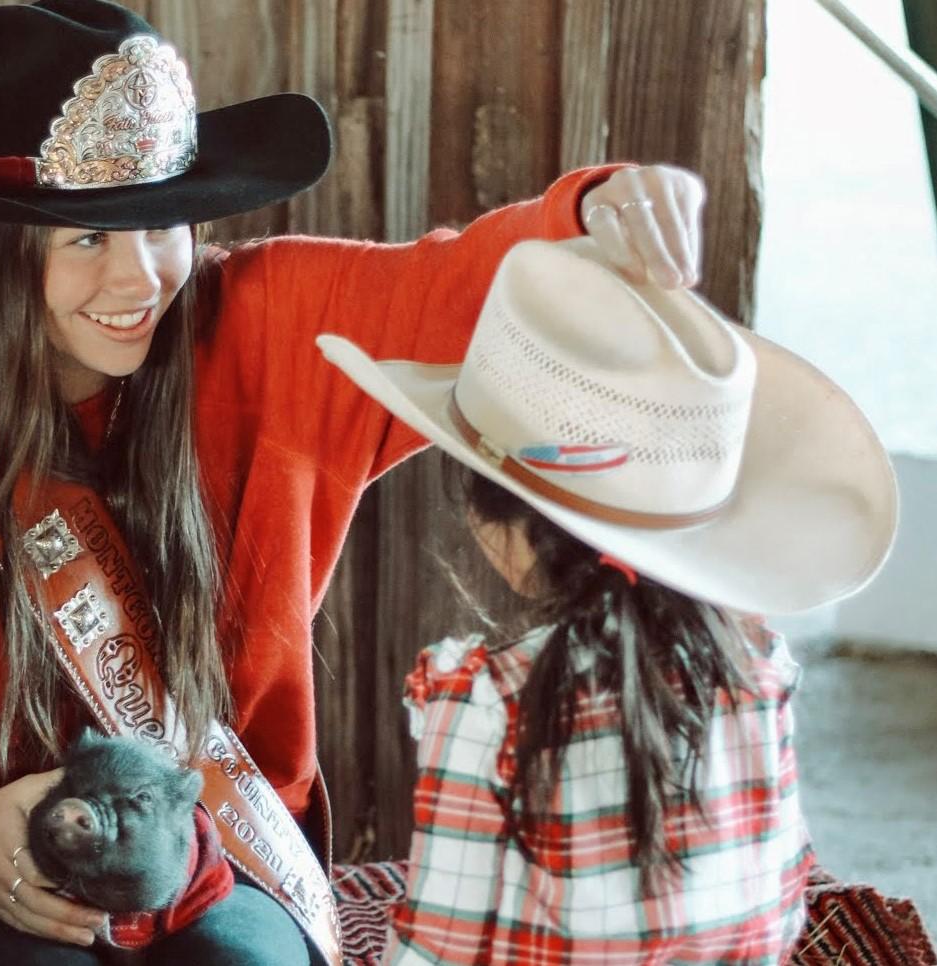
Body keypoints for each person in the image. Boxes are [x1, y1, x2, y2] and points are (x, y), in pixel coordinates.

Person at [0, 1, 709, 964]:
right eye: (85, 239)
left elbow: (456, 290)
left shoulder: (267, 327)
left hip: (212, 856)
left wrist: (591, 213)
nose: (140, 280)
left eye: (162, 220)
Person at [316, 237, 897, 964]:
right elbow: (780, 908)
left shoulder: (488, 700)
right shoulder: (759, 666)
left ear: (494, 524)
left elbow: (439, 947)